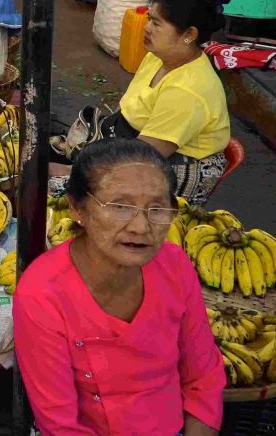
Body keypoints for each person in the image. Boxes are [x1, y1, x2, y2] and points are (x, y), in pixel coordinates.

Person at [16, 139, 224, 435]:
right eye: (120, 206)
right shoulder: (42, 294)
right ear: (78, 209)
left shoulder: (174, 265)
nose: (141, 227)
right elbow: (60, 424)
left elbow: (203, 376)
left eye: (157, 208)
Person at [51, 0, 240, 203]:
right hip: (138, 144)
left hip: (169, 165)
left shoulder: (187, 91)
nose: (147, 27)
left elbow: (143, 159)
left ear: (189, 34)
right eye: (149, 19)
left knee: (59, 193)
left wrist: (71, 173)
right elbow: (129, 107)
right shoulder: (157, 56)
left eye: (157, 23)